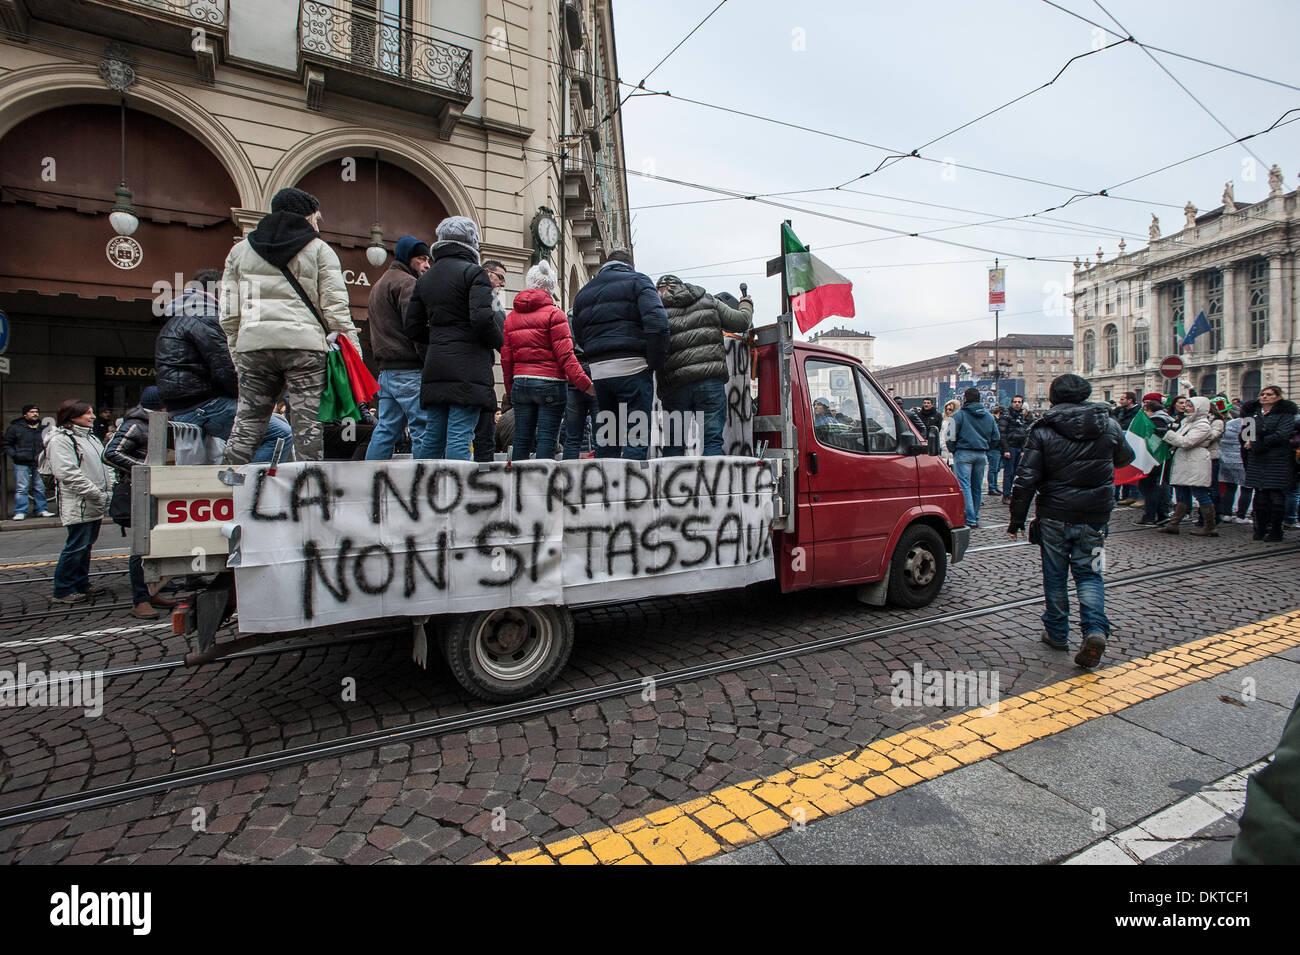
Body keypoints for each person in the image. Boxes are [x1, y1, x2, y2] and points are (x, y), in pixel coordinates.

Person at [219, 187, 361, 465]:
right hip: (304, 347)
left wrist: (239, 354)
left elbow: (229, 315)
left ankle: (228, 488)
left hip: (254, 346)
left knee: (247, 421)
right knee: (307, 426)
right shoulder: (320, 250)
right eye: (316, 218)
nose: (317, 224)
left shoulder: (240, 251)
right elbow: (336, 310)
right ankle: (307, 493)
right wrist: (354, 354)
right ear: (307, 216)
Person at [1007, 374, 1134, 669]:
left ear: (1054, 396)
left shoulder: (1043, 428)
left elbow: (1026, 479)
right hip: (1096, 515)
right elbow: (1125, 459)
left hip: (1054, 514)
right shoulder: (1109, 424)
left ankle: (1057, 632)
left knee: (1055, 575)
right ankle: (1095, 630)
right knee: (1091, 574)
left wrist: (1017, 519)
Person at [157, 269, 291, 463]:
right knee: (280, 433)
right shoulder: (206, 318)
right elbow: (227, 372)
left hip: (187, 408)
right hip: (205, 406)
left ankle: (240, 479)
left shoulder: (180, 318)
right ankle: (252, 488)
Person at [404, 216, 501, 461]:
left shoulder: (426, 278)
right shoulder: (474, 273)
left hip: (436, 363)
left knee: (433, 435)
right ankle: (457, 496)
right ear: (471, 242)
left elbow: (413, 327)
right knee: (460, 434)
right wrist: (498, 342)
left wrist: (440, 338)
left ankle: (427, 490)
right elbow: (481, 319)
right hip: (468, 365)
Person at [570, 250, 669, 460]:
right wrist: (654, 363)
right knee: (636, 435)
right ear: (630, 266)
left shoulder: (585, 292)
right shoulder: (639, 281)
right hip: (633, 367)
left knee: (607, 438)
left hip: (600, 373)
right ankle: (631, 490)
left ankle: (605, 488)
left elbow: (577, 332)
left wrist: (594, 358)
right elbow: (658, 324)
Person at [502, 260, 593, 460]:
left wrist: (510, 390)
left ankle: (519, 485)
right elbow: (566, 356)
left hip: (521, 382)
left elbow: (506, 358)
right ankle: (542, 487)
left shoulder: (511, 318)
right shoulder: (555, 314)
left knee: (522, 438)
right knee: (547, 439)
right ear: (551, 287)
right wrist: (586, 385)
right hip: (550, 384)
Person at [653, 274, 753, 456]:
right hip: (709, 381)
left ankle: (674, 484)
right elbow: (741, 322)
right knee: (712, 440)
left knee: (674, 445)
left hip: (674, 384)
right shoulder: (708, 300)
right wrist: (746, 303)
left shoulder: (657, 308)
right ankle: (713, 483)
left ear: (664, 289)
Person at [102, 387, 179, 619]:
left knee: (155, 543)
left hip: (154, 489)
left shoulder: (153, 422)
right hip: (140, 490)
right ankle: (140, 599)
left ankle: (151, 591)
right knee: (142, 546)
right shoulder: (136, 424)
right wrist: (145, 469)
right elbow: (110, 453)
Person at [364, 235, 431, 460]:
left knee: (386, 429)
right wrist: (427, 360)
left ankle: (370, 479)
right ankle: (424, 485)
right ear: (408, 258)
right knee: (423, 428)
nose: (427, 264)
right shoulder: (407, 283)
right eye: (421, 259)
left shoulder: (380, 284)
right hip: (409, 369)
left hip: (387, 371)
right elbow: (416, 328)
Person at [46, 400, 113, 604]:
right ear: (72, 417)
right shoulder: (60, 440)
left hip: (94, 500)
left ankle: (81, 584)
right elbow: (68, 473)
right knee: (76, 546)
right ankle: (63, 590)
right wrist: (96, 493)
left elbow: (105, 464)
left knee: (85, 546)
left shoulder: (91, 437)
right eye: (88, 413)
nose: (92, 416)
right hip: (80, 502)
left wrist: (108, 489)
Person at [1239, 384, 1297, 542]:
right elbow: (1245, 435)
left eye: (1269, 394)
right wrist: (1254, 438)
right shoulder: (1253, 413)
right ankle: (1260, 529)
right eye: (1263, 394)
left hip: (1277, 460)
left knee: (1276, 497)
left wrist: (1257, 440)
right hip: (1257, 460)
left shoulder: (1285, 414)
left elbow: (1282, 434)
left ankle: (1276, 530)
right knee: (1260, 497)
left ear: (1278, 397)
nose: (1264, 397)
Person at [1159, 396, 1217, 536]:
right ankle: (1174, 524)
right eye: (1186, 404)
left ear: (1199, 409)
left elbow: (1187, 442)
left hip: (1195, 461)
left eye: (1190, 405)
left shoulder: (1203, 425)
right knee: (1182, 493)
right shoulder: (1186, 422)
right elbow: (1177, 441)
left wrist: (1167, 434)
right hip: (1183, 461)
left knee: (1200, 493)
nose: (1186, 407)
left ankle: (1210, 526)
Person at [947, 388, 1000, 528]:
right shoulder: (989, 417)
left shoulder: (959, 416)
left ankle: (969, 518)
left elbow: (949, 436)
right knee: (977, 487)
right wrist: (986, 447)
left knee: (965, 486)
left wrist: (954, 450)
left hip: (963, 452)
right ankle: (975, 516)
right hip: (981, 454)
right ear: (979, 399)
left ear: (965, 399)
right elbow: (996, 437)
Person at [474, 259, 509, 463]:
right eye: (500, 277)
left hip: (449, 369)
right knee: (482, 430)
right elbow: (502, 331)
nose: (503, 284)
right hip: (476, 371)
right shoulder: (487, 298)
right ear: (487, 273)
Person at [3, 404, 54, 519]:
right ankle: (20, 511)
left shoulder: (43, 427)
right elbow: (7, 444)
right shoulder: (15, 427)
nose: (35, 414)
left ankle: (41, 509)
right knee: (22, 488)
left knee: (40, 487)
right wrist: (15, 455)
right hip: (21, 462)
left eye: (36, 411)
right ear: (25, 414)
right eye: (31, 412)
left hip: (38, 462)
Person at [1136, 394, 1174, 525]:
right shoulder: (1164, 418)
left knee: (1151, 487)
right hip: (1158, 458)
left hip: (1155, 459)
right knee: (1154, 486)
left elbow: (1154, 440)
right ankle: (1161, 514)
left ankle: (1153, 515)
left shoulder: (1157, 420)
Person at [998, 394, 1032, 505]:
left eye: (1019, 402)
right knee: (1008, 472)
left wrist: (1023, 449)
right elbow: (1002, 433)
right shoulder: (1006, 415)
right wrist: (1006, 449)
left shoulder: (1021, 416)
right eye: (1015, 402)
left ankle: (1010, 493)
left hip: (1018, 447)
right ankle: (1006, 495)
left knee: (1015, 473)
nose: (1017, 404)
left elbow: (1024, 433)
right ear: (1012, 403)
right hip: (1010, 447)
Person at [1219, 408, 1250, 523]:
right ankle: (1241, 516)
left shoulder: (1230, 423)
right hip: (1243, 460)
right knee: (1247, 488)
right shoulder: (1249, 422)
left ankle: (1226, 513)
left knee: (1230, 487)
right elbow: (1248, 443)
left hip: (1227, 459)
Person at [937, 399, 959, 466]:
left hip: (953, 451)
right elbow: (942, 434)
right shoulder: (944, 421)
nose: (948, 411)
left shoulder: (956, 421)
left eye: (950, 409)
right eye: (946, 409)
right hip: (944, 449)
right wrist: (942, 445)